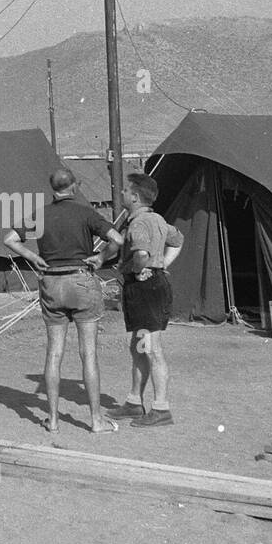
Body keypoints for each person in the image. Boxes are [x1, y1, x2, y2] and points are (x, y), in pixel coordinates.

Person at [3, 167, 119, 435]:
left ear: (51, 188)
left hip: (52, 283)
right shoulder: (85, 213)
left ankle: (53, 421)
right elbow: (117, 239)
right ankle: (95, 420)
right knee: (87, 353)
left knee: (54, 353)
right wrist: (100, 258)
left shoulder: (40, 215)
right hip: (81, 281)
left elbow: (9, 239)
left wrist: (32, 257)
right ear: (75, 187)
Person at [100, 171, 184, 427]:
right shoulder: (157, 219)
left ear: (135, 196)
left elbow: (142, 254)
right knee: (138, 346)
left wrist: (140, 268)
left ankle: (161, 409)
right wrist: (163, 265)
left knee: (151, 348)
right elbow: (178, 240)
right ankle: (135, 402)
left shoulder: (137, 224)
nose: (122, 193)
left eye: (125, 190)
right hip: (150, 287)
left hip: (145, 289)